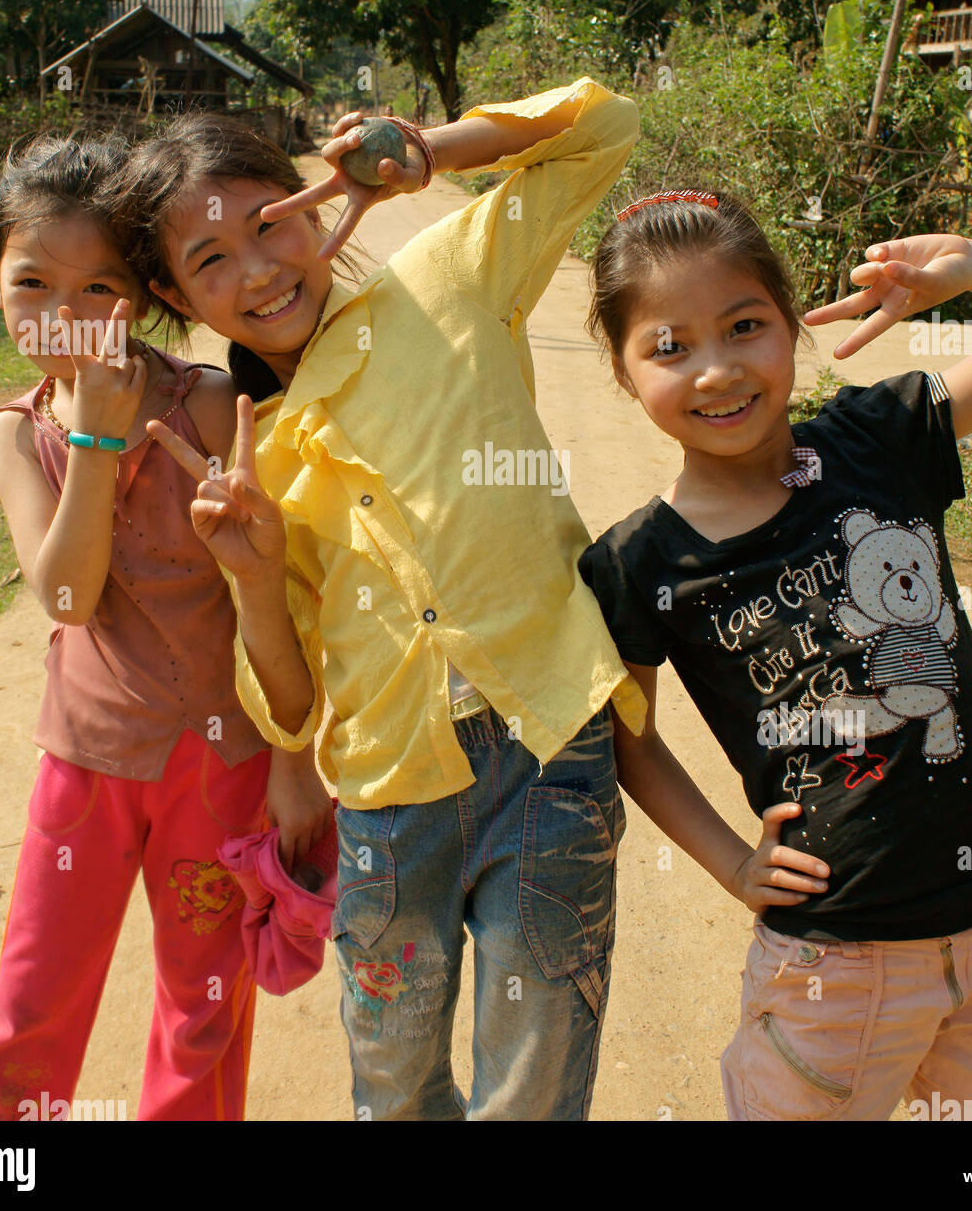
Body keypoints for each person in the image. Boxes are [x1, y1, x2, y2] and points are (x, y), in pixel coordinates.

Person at [112, 78, 648, 1120]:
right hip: (391, 799)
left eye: (270, 224)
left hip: (548, 754)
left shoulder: (445, 278)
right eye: (210, 260)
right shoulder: (248, 454)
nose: (258, 270)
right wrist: (257, 577)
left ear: (312, 200)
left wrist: (426, 150)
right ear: (178, 301)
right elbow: (292, 705)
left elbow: (604, 127)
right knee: (394, 1088)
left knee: (532, 1084)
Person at [576, 188, 972, 1120]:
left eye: (746, 326)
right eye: (670, 347)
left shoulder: (877, 439)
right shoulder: (637, 562)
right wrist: (733, 864)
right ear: (624, 374)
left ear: (793, 326)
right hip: (837, 962)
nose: (716, 371)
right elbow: (631, 738)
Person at [0, 133, 277, 1121]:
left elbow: (281, 582)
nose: (64, 314)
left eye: (99, 288)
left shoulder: (212, 406)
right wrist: (91, 439)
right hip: (86, 761)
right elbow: (64, 599)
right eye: (31, 280)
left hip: (220, 760)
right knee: (33, 998)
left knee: (203, 1004)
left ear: (143, 294)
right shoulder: (17, 432)